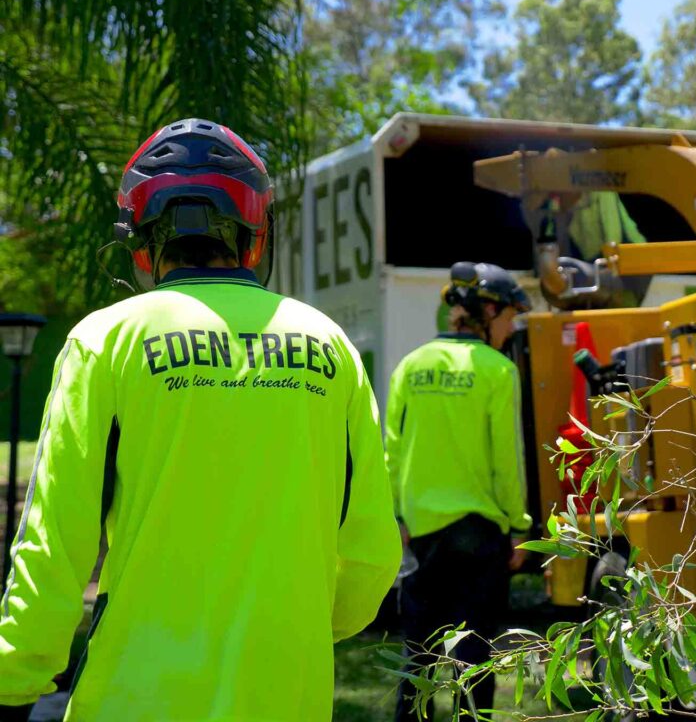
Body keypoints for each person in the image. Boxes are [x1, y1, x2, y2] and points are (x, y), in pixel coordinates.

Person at [0, 118, 401, 721]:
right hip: (288, 696)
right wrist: (300, 630)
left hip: (135, 702)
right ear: (256, 234)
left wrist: (13, 682)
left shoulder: (104, 341)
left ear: (139, 239)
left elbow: (54, 544)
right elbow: (371, 552)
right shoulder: (329, 344)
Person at [387, 261, 532, 721]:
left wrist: (398, 517)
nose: (512, 328)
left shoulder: (410, 366)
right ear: (488, 311)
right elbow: (507, 462)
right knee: (474, 662)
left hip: (422, 534)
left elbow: (392, 451)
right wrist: (518, 526)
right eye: (510, 316)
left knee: (418, 660)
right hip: (480, 535)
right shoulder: (498, 370)